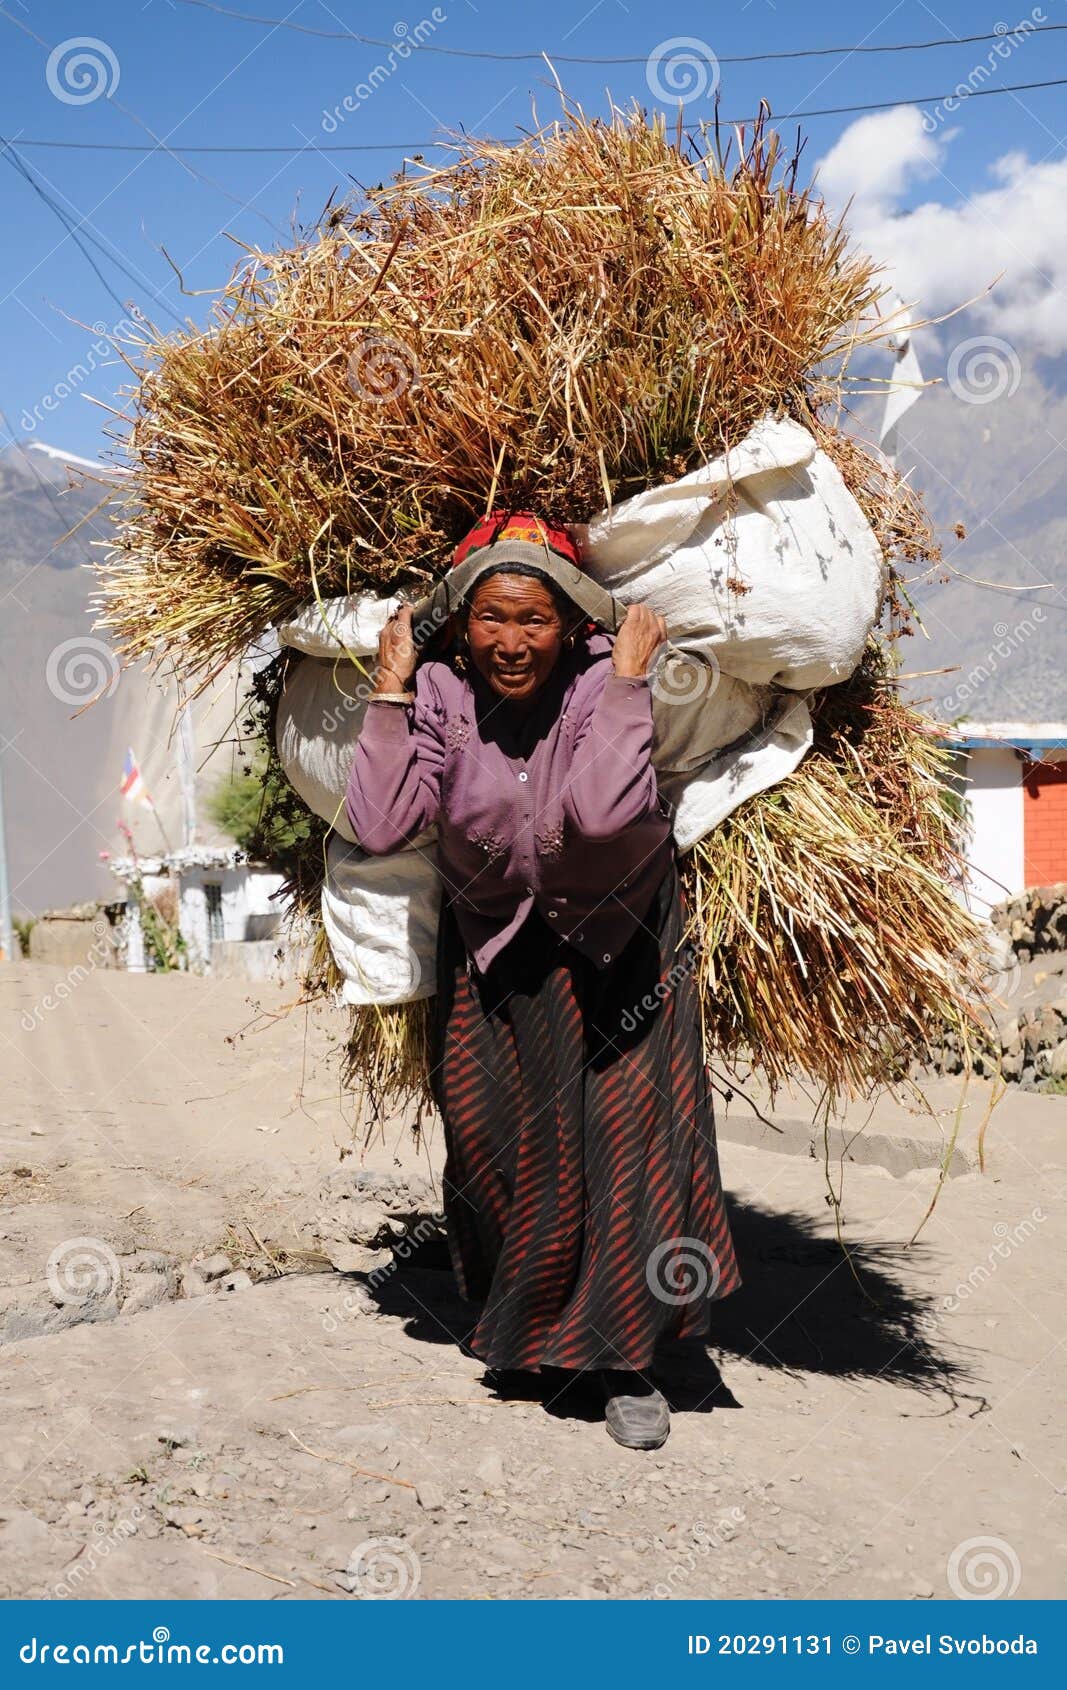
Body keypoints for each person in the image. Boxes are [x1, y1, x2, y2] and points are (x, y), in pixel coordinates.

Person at [345, 511, 740, 1449]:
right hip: (495, 943)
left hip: (620, 946)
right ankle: (525, 1333)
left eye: (534, 619)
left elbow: (602, 817)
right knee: (492, 1144)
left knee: (623, 1150)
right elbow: (378, 822)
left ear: (569, 624)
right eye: (491, 617)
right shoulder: (439, 691)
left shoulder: (604, 682)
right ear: (460, 623)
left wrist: (631, 682)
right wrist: (391, 691)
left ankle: (625, 1364)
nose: (512, 642)